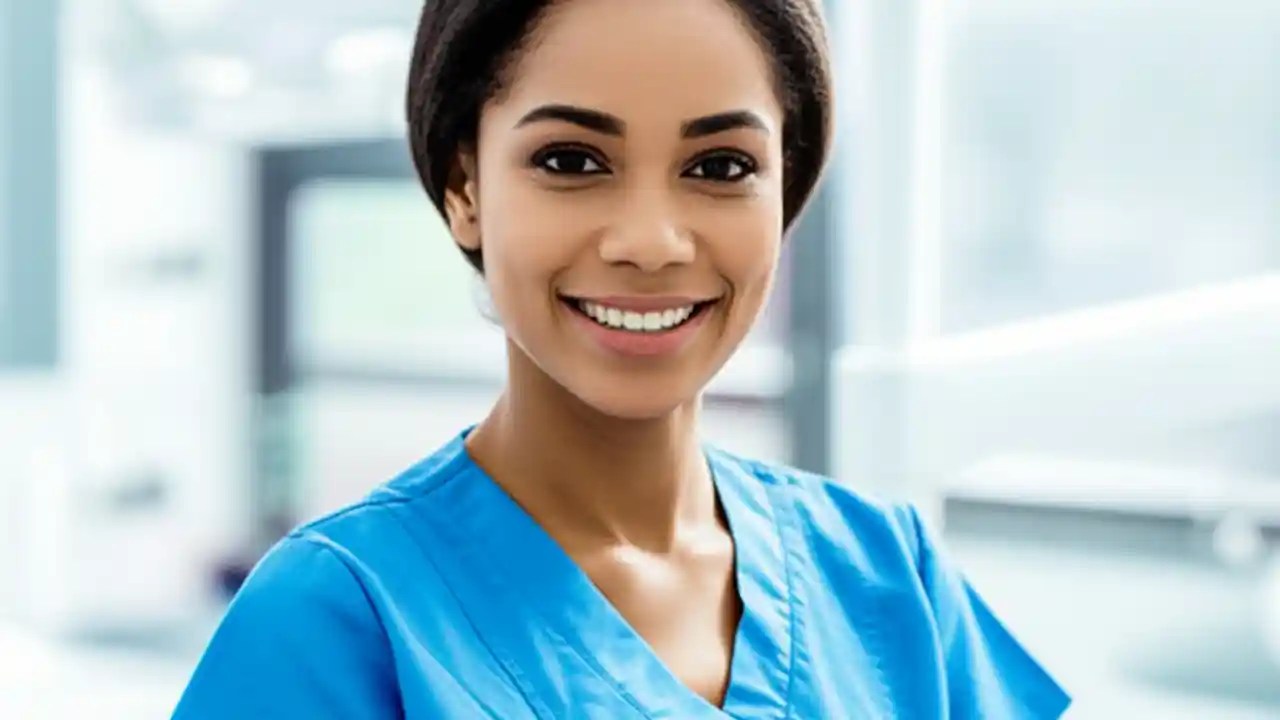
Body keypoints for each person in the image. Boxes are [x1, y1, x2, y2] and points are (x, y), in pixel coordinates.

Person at [172, 0, 1071, 717]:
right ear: (463, 187)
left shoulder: (889, 577)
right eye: (571, 159)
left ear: (785, 191)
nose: (651, 242)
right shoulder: (340, 623)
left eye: (721, 167)